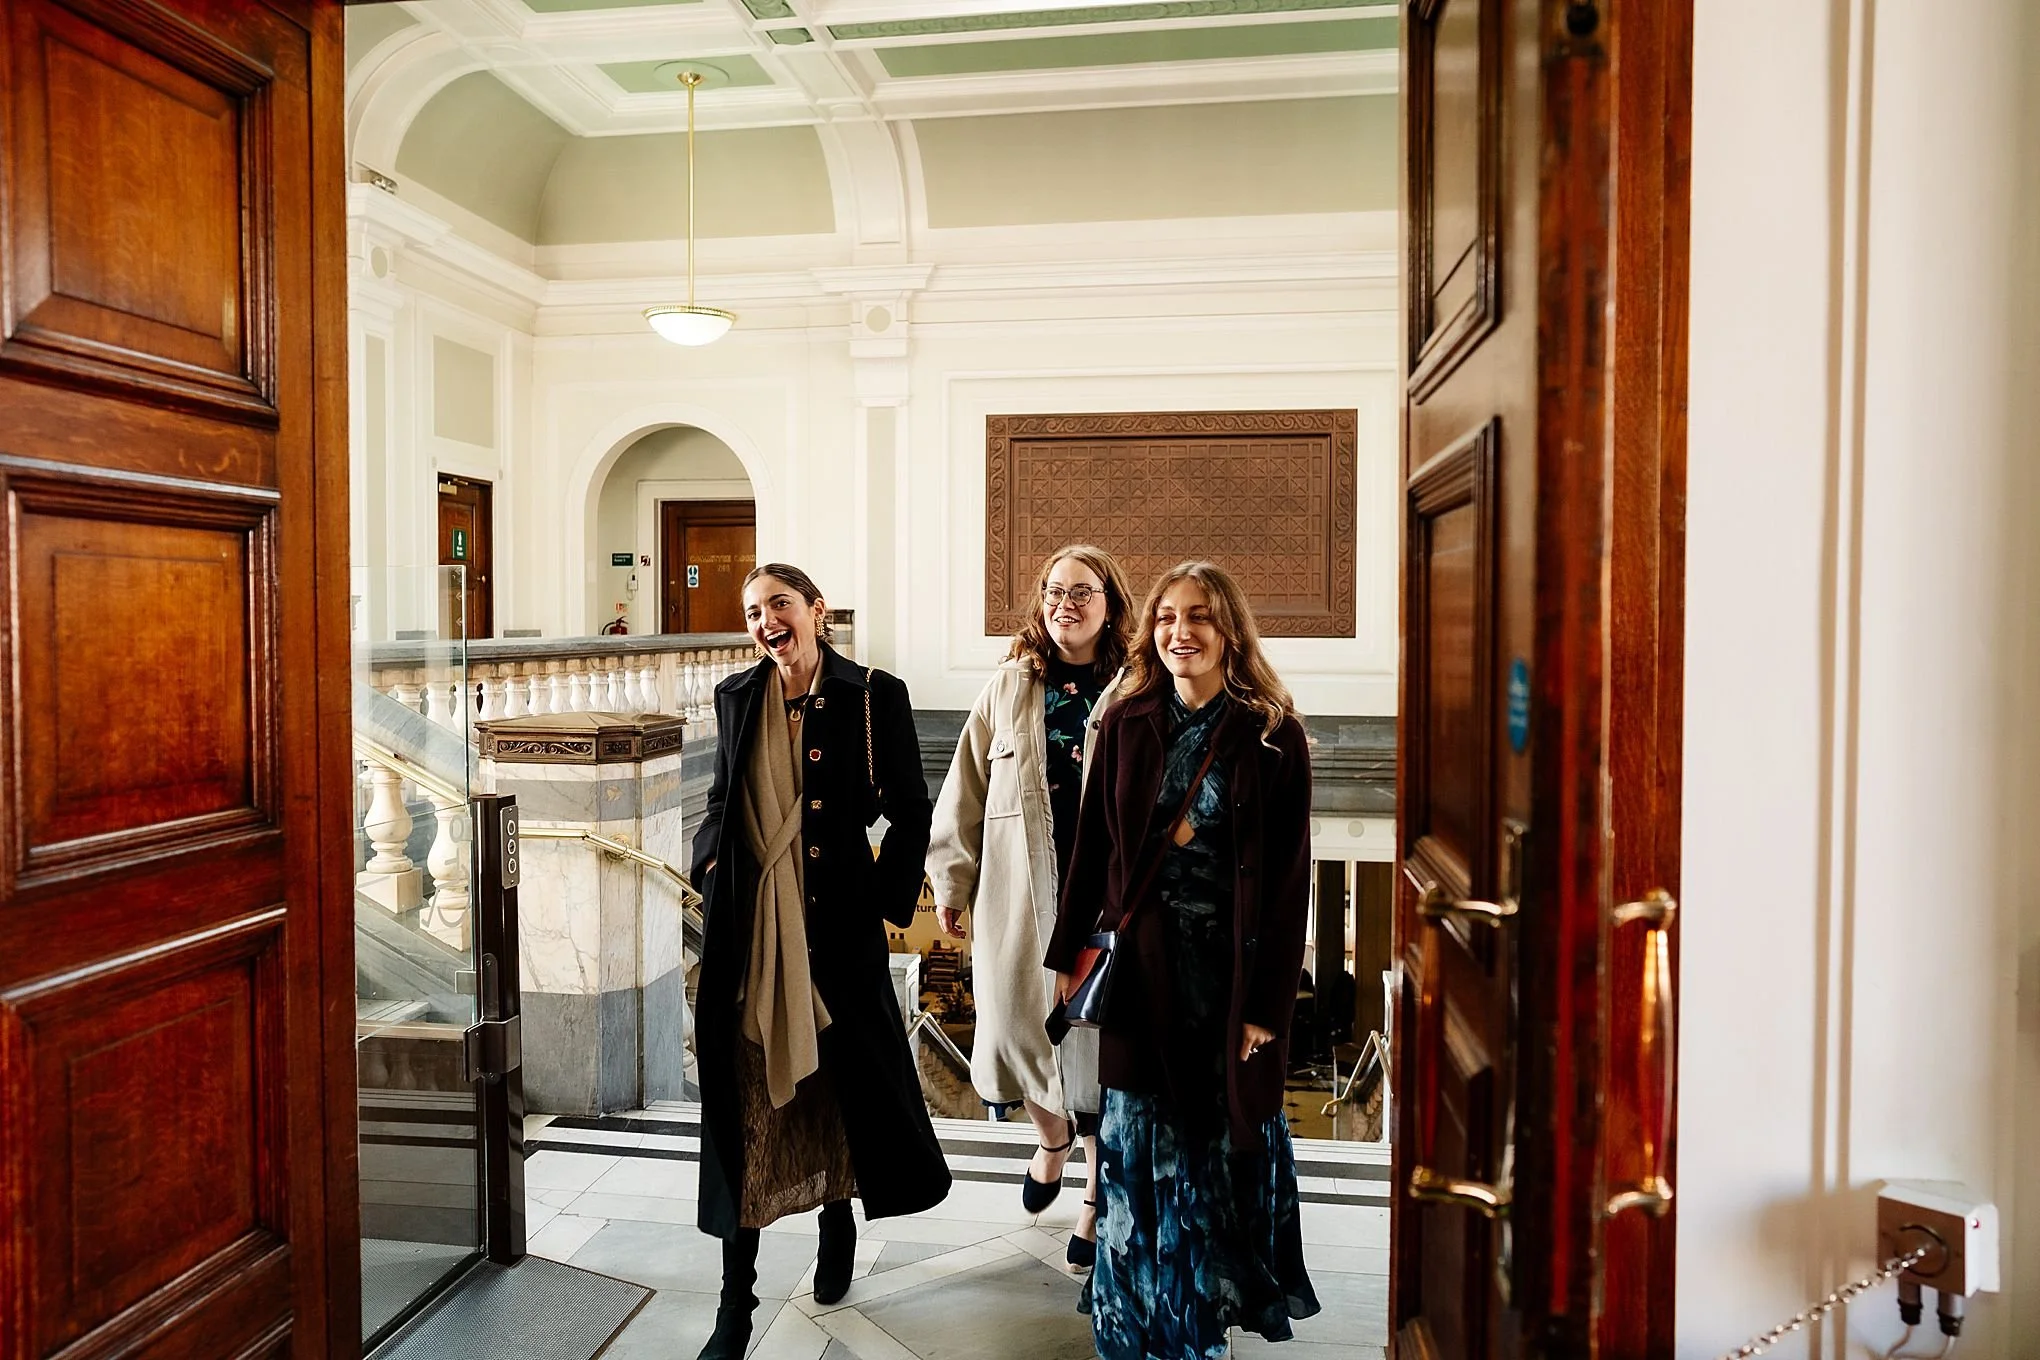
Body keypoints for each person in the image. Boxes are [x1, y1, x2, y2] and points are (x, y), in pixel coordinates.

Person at [1044, 560, 1321, 1360]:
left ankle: (1193, 1330)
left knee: (1208, 1161)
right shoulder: (1127, 719)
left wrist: (1270, 1007)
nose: (1179, 632)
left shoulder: (1272, 734)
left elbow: (1288, 878)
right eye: (1166, 617)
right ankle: (1133, 1331)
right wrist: (1069, 957)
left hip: (1226, 982)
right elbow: (1093, 846)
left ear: (1228, 629)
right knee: (1135, 1157)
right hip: (1141, 977)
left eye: (1198, 616)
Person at [687, 563, 951, 1359]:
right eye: (752, 611)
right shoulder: (737, 696)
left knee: (838, 1090)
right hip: (747, 938)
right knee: (742, 1114)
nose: (766, 620)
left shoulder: (874, 694)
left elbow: (911, 811)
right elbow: (720, 796)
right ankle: (736, 1306)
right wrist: (707, 861)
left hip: (836, 939)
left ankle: (837, 1219)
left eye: (779, 604)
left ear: (815, 610)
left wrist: (877, 896)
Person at [926, 545, 1135, 1270]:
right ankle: (1050, 1142)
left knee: (1095, 1048)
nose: (1065, 603)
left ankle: (1092, 1192)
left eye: (1083, 591)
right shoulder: (1009, 686)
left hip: (1104, 901)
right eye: (1053, 590)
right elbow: (965, 791)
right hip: (1016, 898)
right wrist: (951, 882)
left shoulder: (1137, 687)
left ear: (1110, 603)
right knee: (1017, 1030)